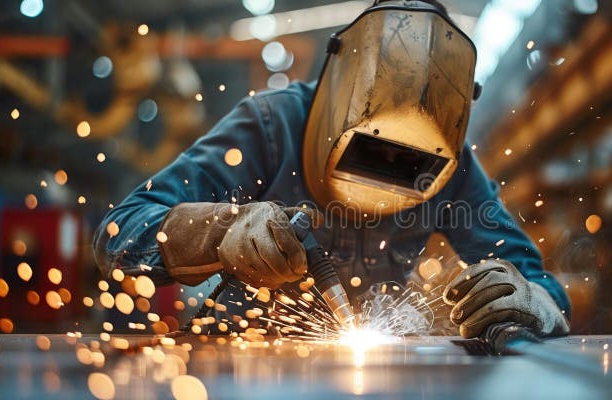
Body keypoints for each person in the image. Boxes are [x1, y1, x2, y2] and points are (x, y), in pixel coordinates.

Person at [93, 0, 570, 339]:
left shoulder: (453, 165)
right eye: (371, 151)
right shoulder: (270, 126)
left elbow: (535, 280)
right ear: (338, 93)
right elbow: (119, 232)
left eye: (410, 166)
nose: (384, 178)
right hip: (243, 362)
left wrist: (532, 302)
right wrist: (223, 232)